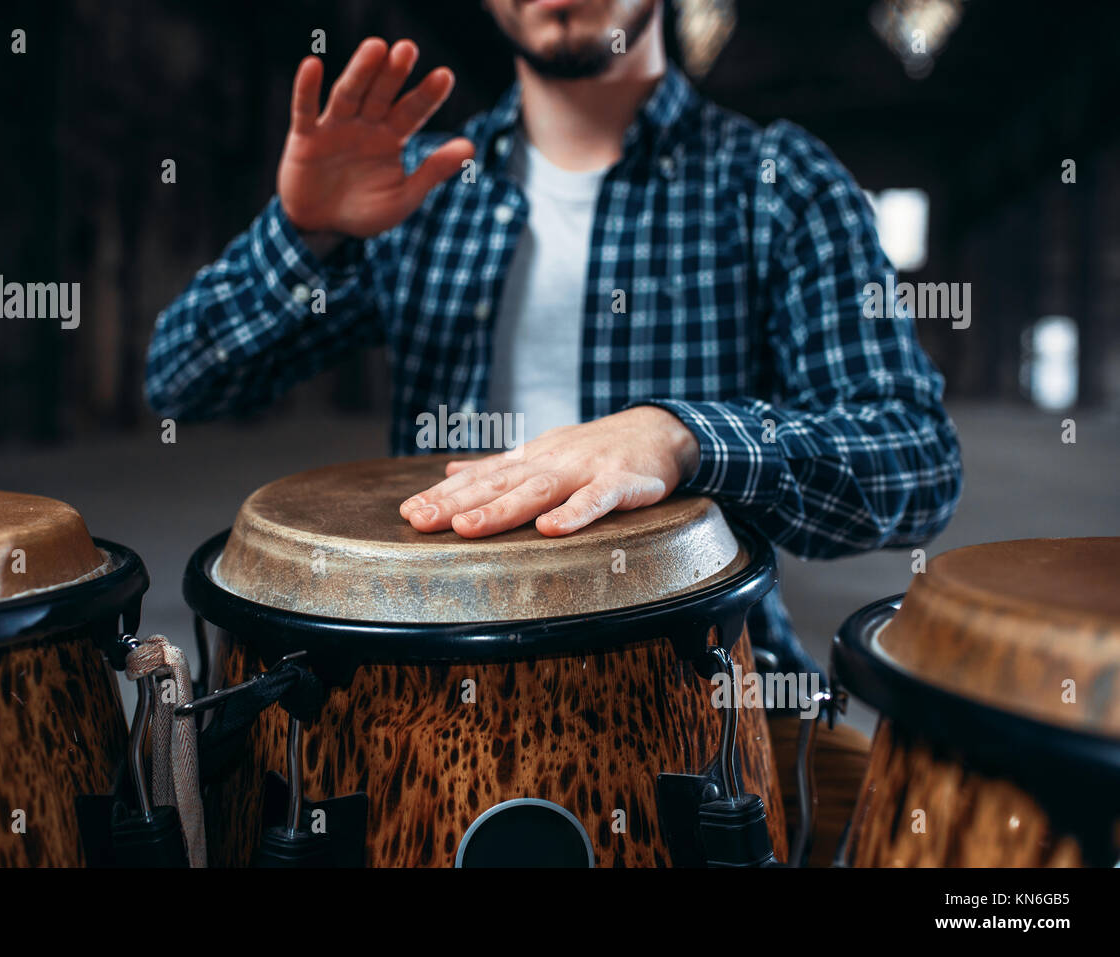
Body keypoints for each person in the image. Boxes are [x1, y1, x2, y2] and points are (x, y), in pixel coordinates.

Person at [145, 0, 962, 684]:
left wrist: (680, 437)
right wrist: (303, 234)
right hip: (424, 674)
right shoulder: (421, 190)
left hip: (701, 679)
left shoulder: (779, 183)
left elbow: (918, 461)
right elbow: (181, 379)